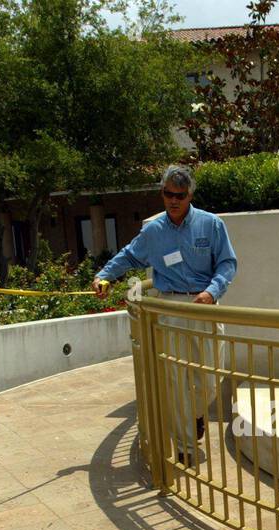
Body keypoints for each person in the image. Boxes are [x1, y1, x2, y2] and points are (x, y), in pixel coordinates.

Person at [93, 165, 236, 462]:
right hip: (169, 308)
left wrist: (212, 291)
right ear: (162, 194)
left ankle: (196, 413)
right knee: (177, 378)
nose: (173, 201)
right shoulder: (154, 230)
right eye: (168, 194)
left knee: (212, 375)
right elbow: (130, 255)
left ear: (189, 195)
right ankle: (184, 446)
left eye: (179, 195)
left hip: (204, 306)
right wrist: (104, 276)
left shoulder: (211, 225)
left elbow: (227, 263)